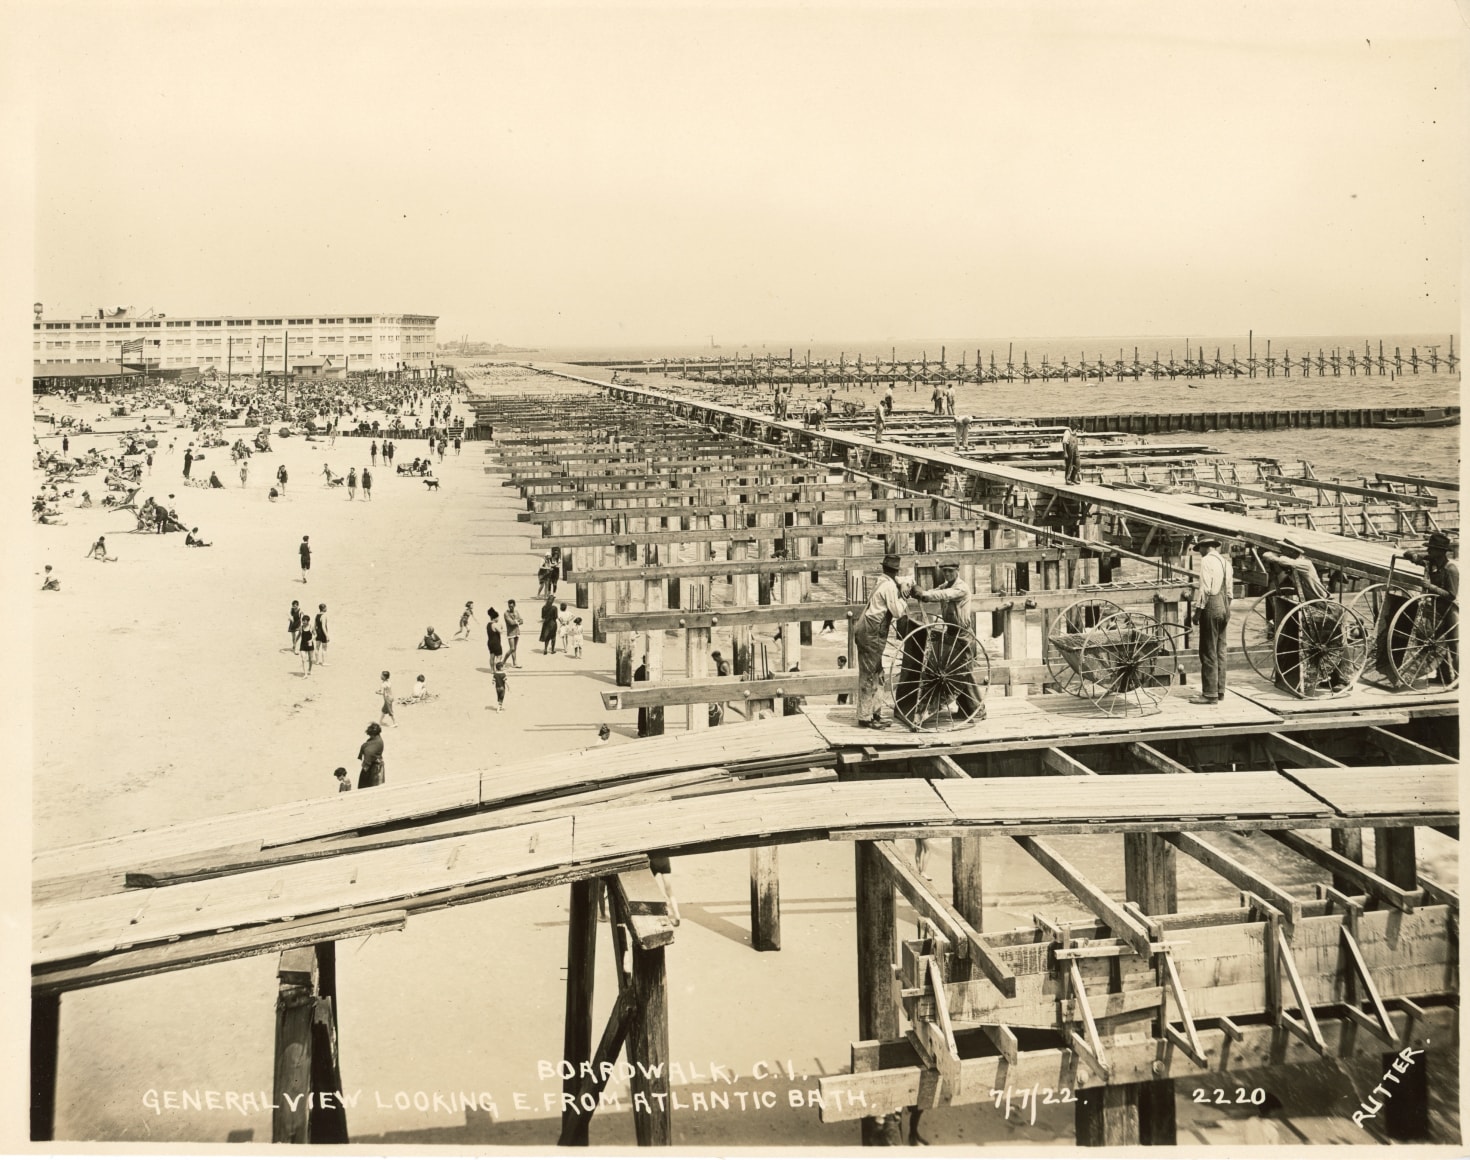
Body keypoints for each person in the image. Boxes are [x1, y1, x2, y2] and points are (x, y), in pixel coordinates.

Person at [912, 557, 986, 723]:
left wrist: (924, 595)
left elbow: (943, 595)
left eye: (950, 571)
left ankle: (978, 710)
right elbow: (936, 591)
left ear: (957, 571)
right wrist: (921, 592)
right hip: (951, 634)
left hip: (963, 635)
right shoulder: (946, 585)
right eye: (944, 571)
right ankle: (966, 709)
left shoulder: (961, 588)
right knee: (952, 673)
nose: (947, 574)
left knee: (964, 673)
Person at [853, 554, 907, 727]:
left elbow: (896, 581)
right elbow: (898, 612)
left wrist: (903, 582)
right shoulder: (890, 586)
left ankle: (874, 713)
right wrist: (904, 597)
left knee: (877, 672)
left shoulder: (881, 581)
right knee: (869, 674)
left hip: (866, 629)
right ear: (894, 571)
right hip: (872, 632)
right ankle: (865, 717)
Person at [1401, 531, 1458, 685]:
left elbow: (1451, 595)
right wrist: (1411, 555)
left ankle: (1460, 678)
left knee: (1453, 644)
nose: (1428, 551)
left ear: (1440, 552)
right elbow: (1413, 556)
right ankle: (1443, 677)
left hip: (1448, 610)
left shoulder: (1450, 569)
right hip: (1435, 610)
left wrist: (1430, 587)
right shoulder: (1431, 563)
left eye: (1431, 549)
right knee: (1437, 643)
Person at [1190, 537, 1233, 705]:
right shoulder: (1225, 562)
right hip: (1225, 607)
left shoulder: (1207, 561)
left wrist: (1197, 613)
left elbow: (1205, 590)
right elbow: (1229, 593)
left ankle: (1209, 694)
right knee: (1221, 650)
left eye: (1199, 548)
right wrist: (1225, 610)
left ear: (1205, 547)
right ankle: (1220, 690)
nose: (1199, 552)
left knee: (1208, 651)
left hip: (1212, 606)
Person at [357, 722, 386, 788]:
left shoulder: (377, 742)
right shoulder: (377, 739)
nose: (370, 736)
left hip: (375, 768)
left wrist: (365, 767)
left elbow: (369, 753)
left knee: (369, 786)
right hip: (374, 765)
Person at [633, 655, 650, 737]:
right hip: (647, 695)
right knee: (645, 712)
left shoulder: (638, 670)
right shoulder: (648, 672)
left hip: (640, 694)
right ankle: (645, 730)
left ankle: (641, 730)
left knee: (641, 712)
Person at [504, 599, 523, 667]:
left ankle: (515, 663)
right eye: (509, 606)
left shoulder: (516, 612)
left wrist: (516, 621)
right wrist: (517, 621)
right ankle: (503, 662)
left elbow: (522, 621)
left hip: (517, 631)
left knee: (515, 648)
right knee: (512, 648)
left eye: (512, 606)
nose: (510, 608)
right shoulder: (506, 613)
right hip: (510, 633)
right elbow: (511, 623)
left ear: (514, 605)